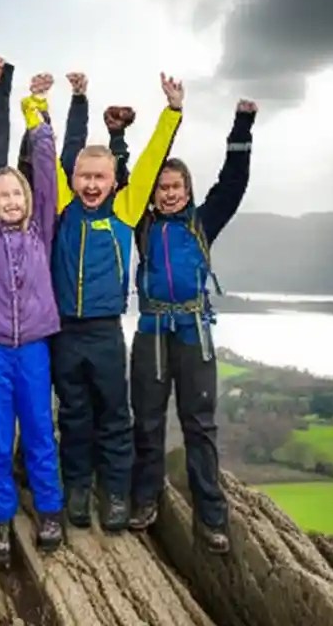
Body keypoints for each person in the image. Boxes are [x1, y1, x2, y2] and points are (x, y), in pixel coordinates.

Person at [50, 72, 185, 531]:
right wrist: (36, 105)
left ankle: (114, 492)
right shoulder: (64, 205)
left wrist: (171, 113)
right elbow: (46, 151)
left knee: (113, 414)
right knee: (73, 415)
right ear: (73, 178)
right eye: (85, 176)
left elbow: (148, 163)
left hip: (106, 331)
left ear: (113, 181)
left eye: (100, 177)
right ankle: (78, 488)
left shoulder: (125, 210)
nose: (91, 184)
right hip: (65, 331)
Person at [129, 100, 255, 554]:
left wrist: (242, 124)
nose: (168, 194)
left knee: (199, 427)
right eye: (161, 187)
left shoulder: (203, 222)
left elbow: (234, 183)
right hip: (151, 333)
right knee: (145, 422)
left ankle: (212, 517)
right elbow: (131, 177)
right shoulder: (141, 223)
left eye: (176, 186)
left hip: (193, 334)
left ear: (188, 189)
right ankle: (145, 500)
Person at [0, 60, 64, 565]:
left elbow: (46, 174)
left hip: (36, 349)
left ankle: (49, 509)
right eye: (1, 195)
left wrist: (39, 120)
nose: (8, 200)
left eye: (14, 193)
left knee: (41, 432)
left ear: (26, 198)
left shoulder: (41, 228)